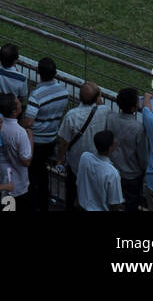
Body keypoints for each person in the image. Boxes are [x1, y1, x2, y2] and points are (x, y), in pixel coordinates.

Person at [23, 57, 69, 212]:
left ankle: (32, 204)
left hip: (36, 141)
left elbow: (28, 122)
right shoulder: (64, 91)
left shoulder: (36, 95)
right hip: (51, 139)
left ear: (38, 72)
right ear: (55, 73)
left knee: (32, 175)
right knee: (42, 173)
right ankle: (42, 203)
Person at [56, 81, 105, 210]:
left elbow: (64, 142)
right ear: (98, 98)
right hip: (96, 166)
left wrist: (60, 160)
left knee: (72, 196)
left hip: (75, 165)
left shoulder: (72, 115)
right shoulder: (105, 111)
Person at [104, 86, 147, 212]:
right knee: (131, 205)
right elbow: (142, 155)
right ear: (134, 108)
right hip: (132, 175)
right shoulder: (139, 128)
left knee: (111, 201)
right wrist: (144, 169)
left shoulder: (110, 118)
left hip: (113, 168)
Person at [0, 91, 33, 212]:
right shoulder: (19, 132)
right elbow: (26, 161)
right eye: (17, 102)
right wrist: (31, 138)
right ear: (14, 111)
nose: (20, 103)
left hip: (2, 177)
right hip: (16, 184)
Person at [76, 130, 124, 212]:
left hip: (82, 206)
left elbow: (78, 183)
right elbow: (114, 204)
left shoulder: (85, 157)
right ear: (110, 148)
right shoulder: (112, 173)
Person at [0, 43, 28, 110]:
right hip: (11, 112)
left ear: (0, 58)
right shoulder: (22, 78)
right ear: (16, 60)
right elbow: (23, 98)